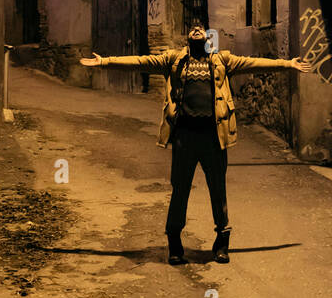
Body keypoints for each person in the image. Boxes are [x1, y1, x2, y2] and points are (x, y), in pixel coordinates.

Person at [81, 23, 311, 265]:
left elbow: (254, 63)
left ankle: (222, 242)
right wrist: (105, 62)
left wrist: (288, 64)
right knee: (180, 190)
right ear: (188, 37)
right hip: (185, 137)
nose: (197, 29)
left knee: (218, 190)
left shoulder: (222, 61)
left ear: (208, 37)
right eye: (193, 28)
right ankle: (174, 244)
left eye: (201, 27)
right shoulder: (173, 60)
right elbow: (140, 62)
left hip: (214, 137)